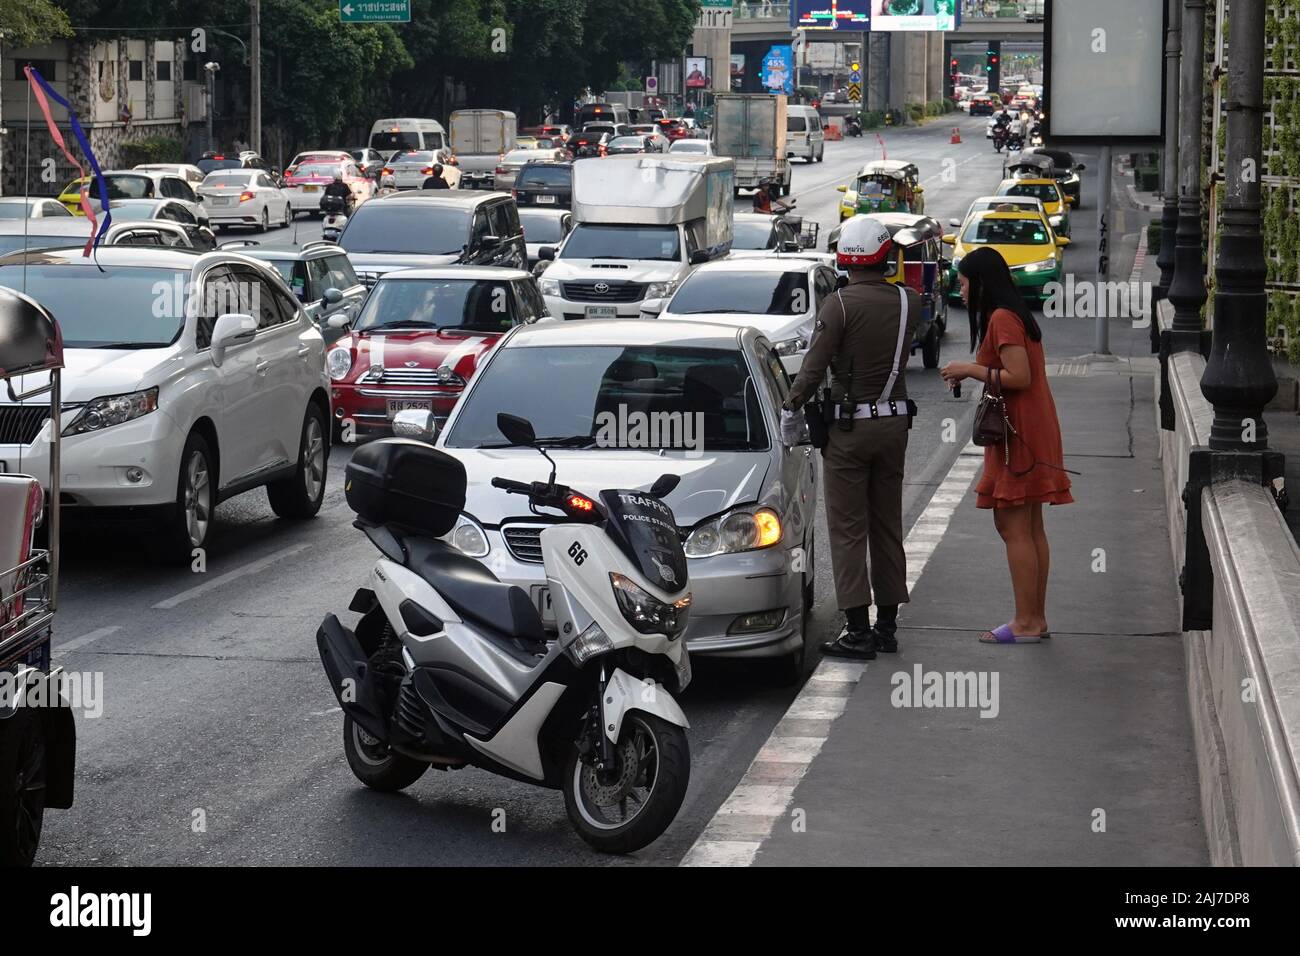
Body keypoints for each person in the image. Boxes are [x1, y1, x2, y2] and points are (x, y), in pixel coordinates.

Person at [782, 216, 920, 660]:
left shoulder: (838, 306)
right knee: (887, 525)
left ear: (845, 259)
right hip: (894, 425)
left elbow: (813, 367)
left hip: (849, 430)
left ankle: (857, 631)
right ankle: (888, 627)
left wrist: (792, 406)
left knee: (846, 530)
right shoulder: (908, 301)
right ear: (884, 255)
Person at [939, 247, 1073, 645]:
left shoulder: (1001, 318)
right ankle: (1035, 618)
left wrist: (968, 369)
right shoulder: (1014, 315)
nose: (960, 291)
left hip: (1020, 433)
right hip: (1032, 426)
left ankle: (1026, 621)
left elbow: (1019, 376)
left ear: (980, 282)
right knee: (1029, 525)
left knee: (1014, 523)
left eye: (963, 283)